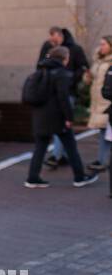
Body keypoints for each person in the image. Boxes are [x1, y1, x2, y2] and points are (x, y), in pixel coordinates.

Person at [25, 45, 97, 188]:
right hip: (58, 117)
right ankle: (79, 177)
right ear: (64, 58)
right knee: (71, 146)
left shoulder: (41, 70)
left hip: (40, 115)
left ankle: (32, 178)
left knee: (40, 147)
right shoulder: (61, 74)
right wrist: (69, 118)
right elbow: (63, 98)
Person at [36, 25, 89, 168]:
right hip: (51, 93)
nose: (53, 41)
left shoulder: (74, 50)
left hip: (67, 91)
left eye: (54, 38)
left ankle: (57, 156)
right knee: (63, 127)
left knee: (63, 125)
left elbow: (83, 66)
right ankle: (63, 158)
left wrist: (72, 78)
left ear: (60, 35)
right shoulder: (49, 49)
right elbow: (40, 66)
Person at [85, 35, 112, 173]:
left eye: (104, 44)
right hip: (97, 102)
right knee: (104, 133)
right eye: (100, 44)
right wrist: (88, 76)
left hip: (107, 103)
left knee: (106, 133)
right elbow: (90, 81)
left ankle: (103, 160)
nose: (101, 47)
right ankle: (101, 159)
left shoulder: (110, 63)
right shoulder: (99, 61)